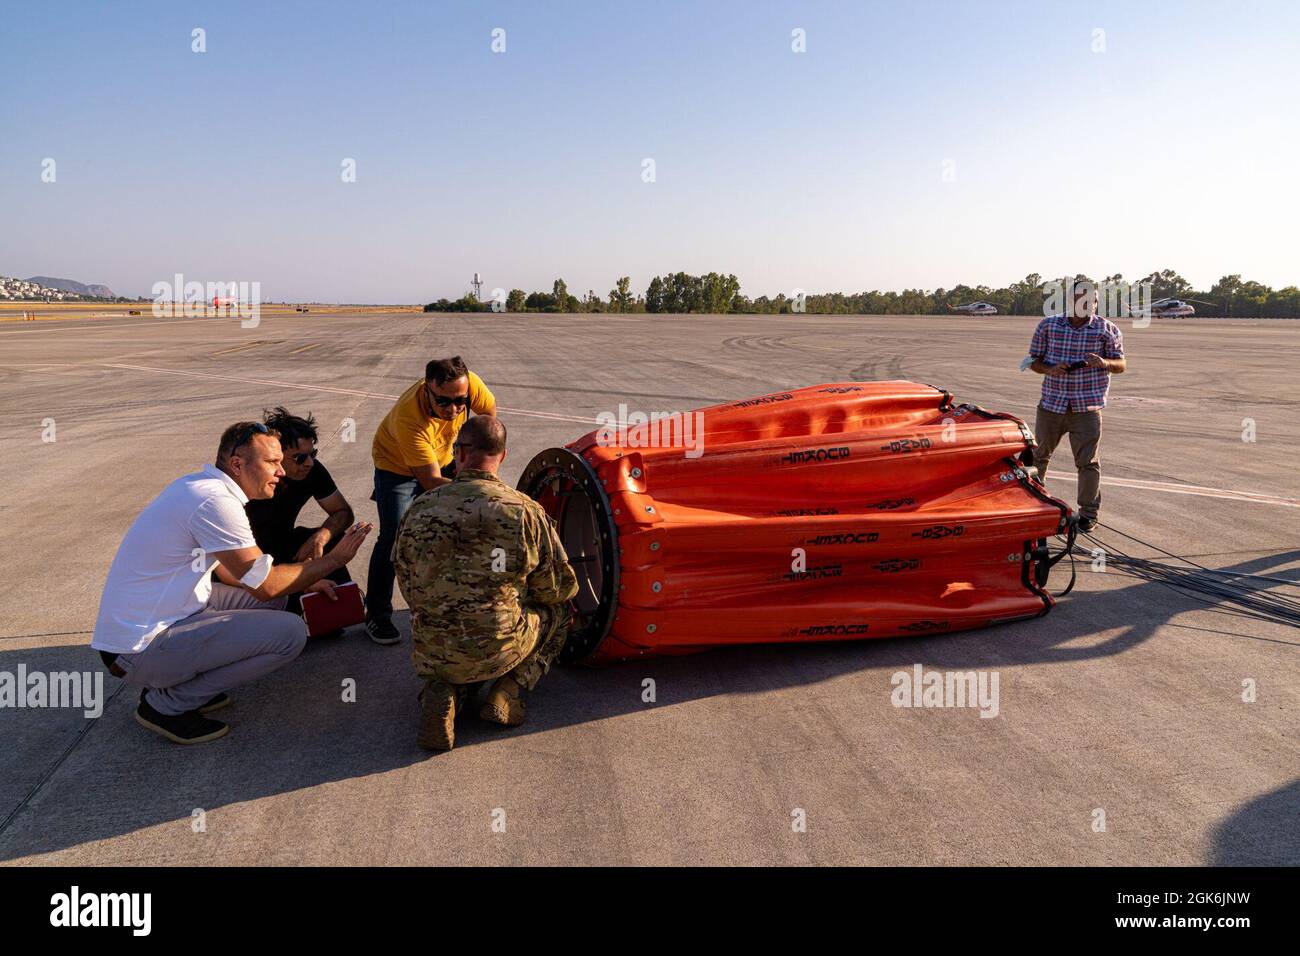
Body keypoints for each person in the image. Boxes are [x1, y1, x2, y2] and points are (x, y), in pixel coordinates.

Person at [91, 422, 372, 744]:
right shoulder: (215, 502)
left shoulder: (199, 487)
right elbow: (264, 584)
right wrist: (334, 561)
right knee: (290, 633)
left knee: (278, 602)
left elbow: (232, 572)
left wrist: (302, 583)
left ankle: (183, 681)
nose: (281, 471)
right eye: (272, 462)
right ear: (237, 464)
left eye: (282, 461)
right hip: (136, 650)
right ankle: (166, 703)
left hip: (158, 625)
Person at [394, 416, 577, 751]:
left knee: (448, 635)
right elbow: (558, 589)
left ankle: (446, 689)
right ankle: (507, 690)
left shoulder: (419, 508)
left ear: (458, 453)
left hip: (434, 648)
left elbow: (407, 582)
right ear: (503, 456)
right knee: (560, 614)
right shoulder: (524, 512)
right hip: (499, 647)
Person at [366, 356, 496, 646]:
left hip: (444, 456)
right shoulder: (408, 419)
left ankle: (462, 602)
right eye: (444, 402)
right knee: (394, 536)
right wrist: (483, 490)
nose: (454, 409)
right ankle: (376, 614)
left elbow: (489, 424)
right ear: (427, 390)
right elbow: (431, 483)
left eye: (460, 402)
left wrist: (474, 463)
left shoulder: (469, 384)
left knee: (466, 524)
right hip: (397, 469)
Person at [1028, 281, 1127, 532]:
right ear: (1069, 301)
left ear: (1095, 303)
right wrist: (1050, 369)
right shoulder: (1049, 326)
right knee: (1039, 457)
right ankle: (1035, 506)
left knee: (1087, 462)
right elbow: (1032, 361)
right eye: (1078, 300)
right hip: (1052, 404)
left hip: (1087, 408)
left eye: (1090, 301)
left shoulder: (1107, 330)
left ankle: (1088, 514)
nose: (1084, 305)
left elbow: (1121, 364)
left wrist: (1103, 362)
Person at [245, 407, 355, 614]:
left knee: (329, 538)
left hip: (283, 544)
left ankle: (339, 611)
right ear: (275, 455)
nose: (309, 463)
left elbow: (342, 512)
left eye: (312, 454)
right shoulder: (251, 481)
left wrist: (321, 536)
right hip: (247, 558)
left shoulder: (312, 469)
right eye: (299, 457)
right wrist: (301, 579)